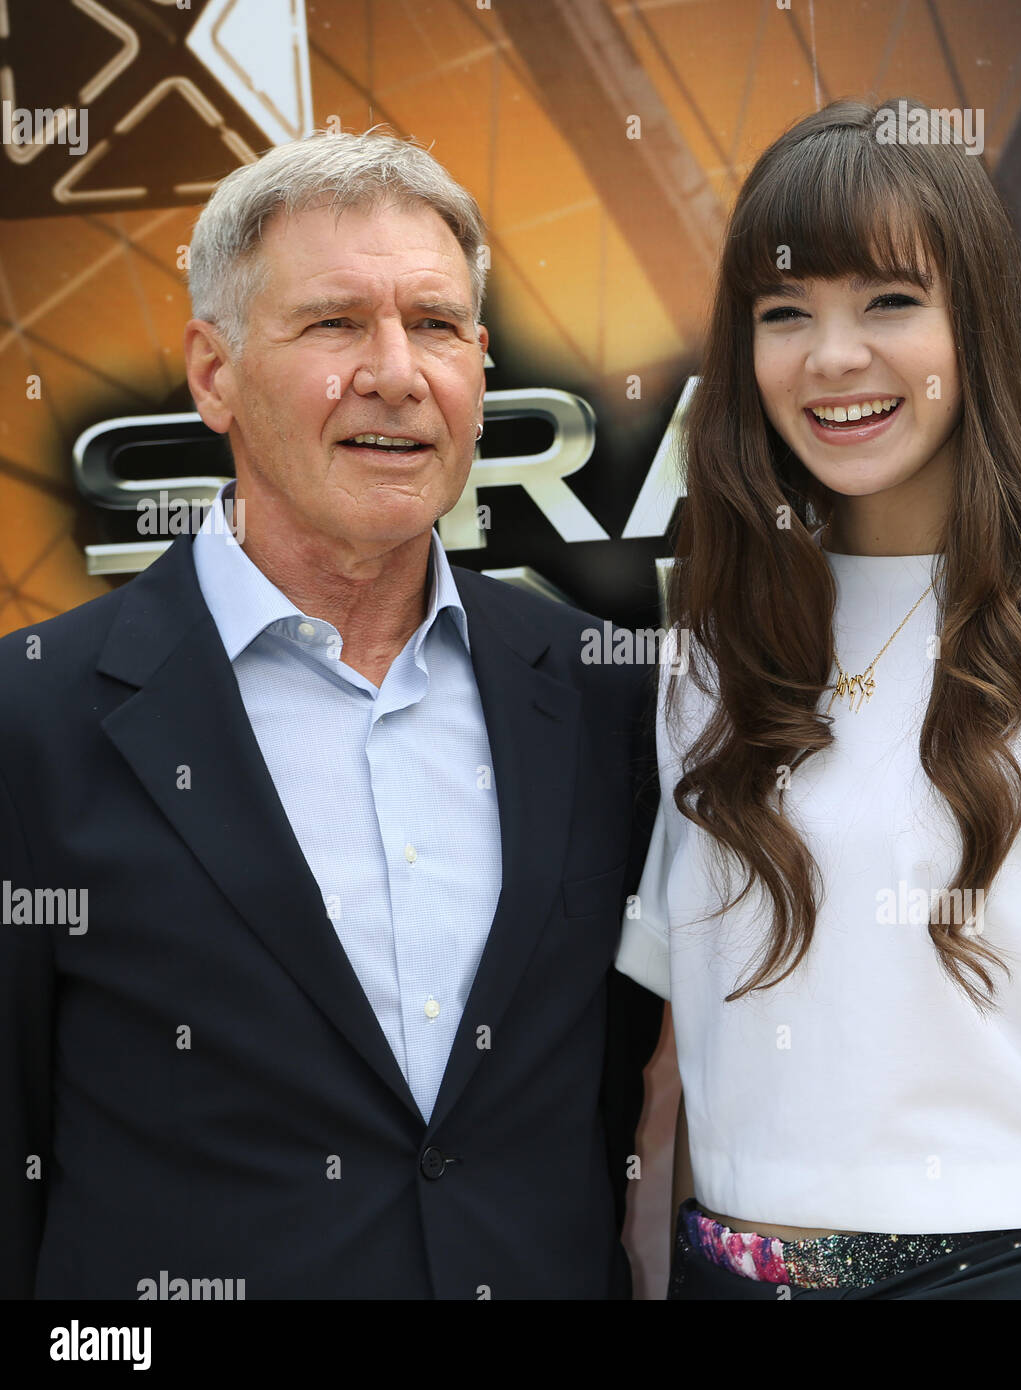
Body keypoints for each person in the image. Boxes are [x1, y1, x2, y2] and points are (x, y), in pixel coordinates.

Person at [616, 97, 1021, 1300]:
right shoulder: (715, 647)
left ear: (979, 325)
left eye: (889, 302)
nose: (832, 357)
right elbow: (675, 1068)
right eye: (783, 314)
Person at [0, 130, 662, 1299]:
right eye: (334, 323)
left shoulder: (609, 688)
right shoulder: (33, 716)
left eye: (437, 324)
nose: (398, 372)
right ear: (213, 374)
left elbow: (622, 1079)